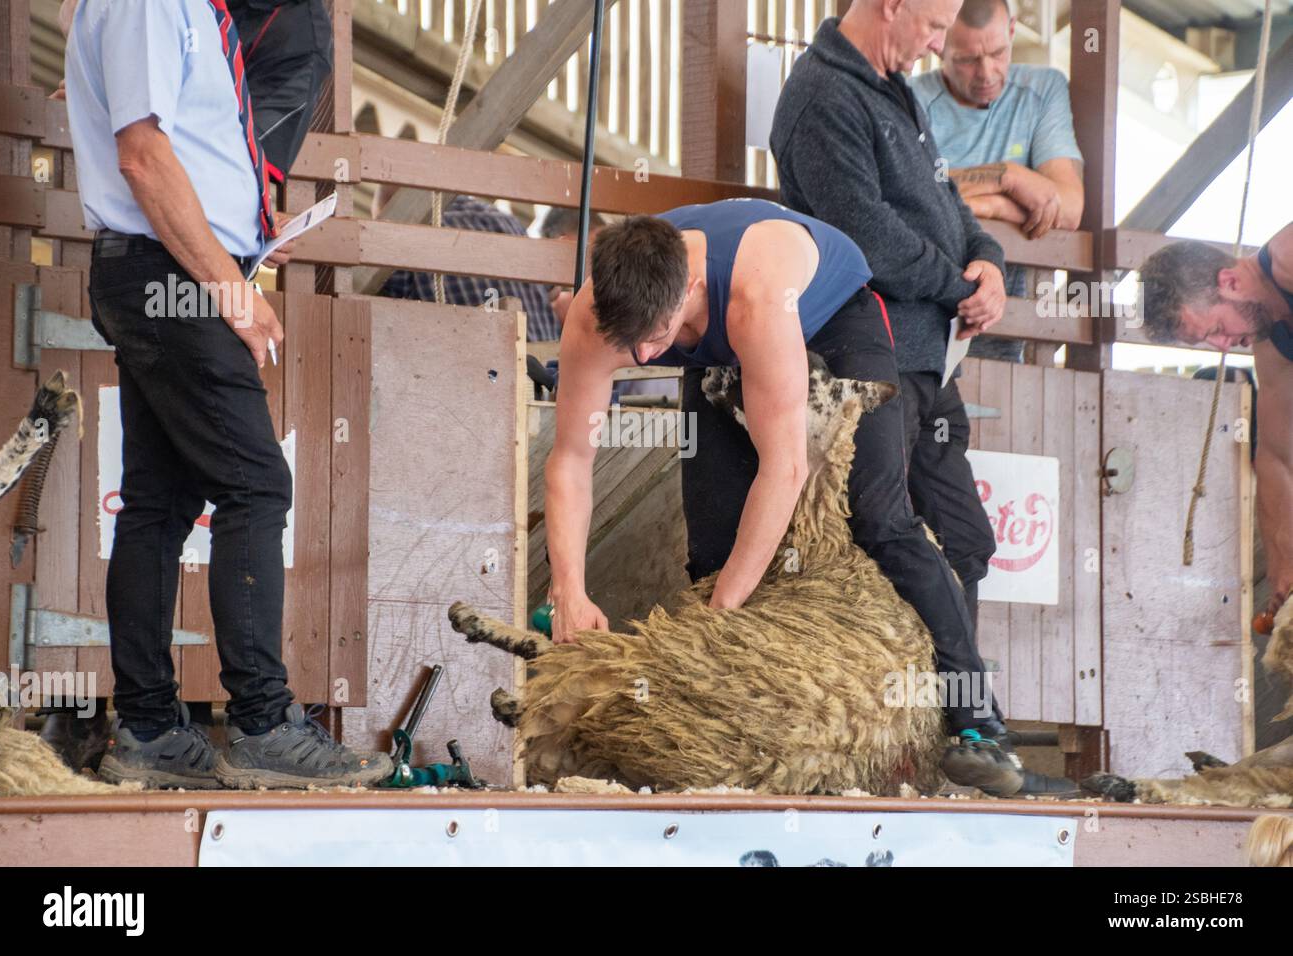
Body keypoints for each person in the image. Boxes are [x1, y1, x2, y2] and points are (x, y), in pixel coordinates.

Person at [544, 198, 1076, 797]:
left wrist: (720, 621)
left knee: (882, 520)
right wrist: (569, 588)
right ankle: (737, 738)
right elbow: (571, 458)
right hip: (713, 335)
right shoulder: (603, 314)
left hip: (833, 315)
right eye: (632, 347)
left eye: (654, 341)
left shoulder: (758, 293)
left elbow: (785, 465)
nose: (643, 359)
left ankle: (979, 724)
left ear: (689, 287)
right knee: (713, 546)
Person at [64, 0, 389, 789]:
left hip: (159, 269)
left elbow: (178, 146)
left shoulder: (192, 12)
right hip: (170, 276)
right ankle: (264, 724)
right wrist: (230, 288)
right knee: (255, 483)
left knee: (157, 504)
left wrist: (243, 203)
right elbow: (142, 156)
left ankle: (148, 731)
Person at [771, 0, 1001, 642]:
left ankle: (955, 714)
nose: (935, 47)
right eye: (932, 27)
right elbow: (867, 236)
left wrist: (989, 263)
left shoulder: (894, 89)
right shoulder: (821, 97)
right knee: (879, 528)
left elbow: (946, 199)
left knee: (964, 539)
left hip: (930, 356)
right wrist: (960, 287)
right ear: (890, 6)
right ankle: (962, 716)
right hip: (875, 354)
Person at [909, 0, 1084, 362]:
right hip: (923, 310)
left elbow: (1067, 208)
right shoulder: (909, 99)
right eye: (968, 59)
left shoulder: (1044, 89)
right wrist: (1007, 178)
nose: (986, 72)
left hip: (1008, 316)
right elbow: (909, 195)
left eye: (998, 53)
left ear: (1012, 31)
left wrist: (983, 204)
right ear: (939, 42)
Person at [1139, 227, 1293, 622]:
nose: (1223, 347)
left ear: (1229, 283)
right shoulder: (1274, 342)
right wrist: (1281, 567)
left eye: (1215, 329)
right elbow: (1276, 456)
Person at [382, 194, 561, 341]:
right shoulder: (504, 220)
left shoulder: (405, 238)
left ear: (392, 210)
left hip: (484, 373)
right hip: (545, 372)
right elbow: (552, 290)